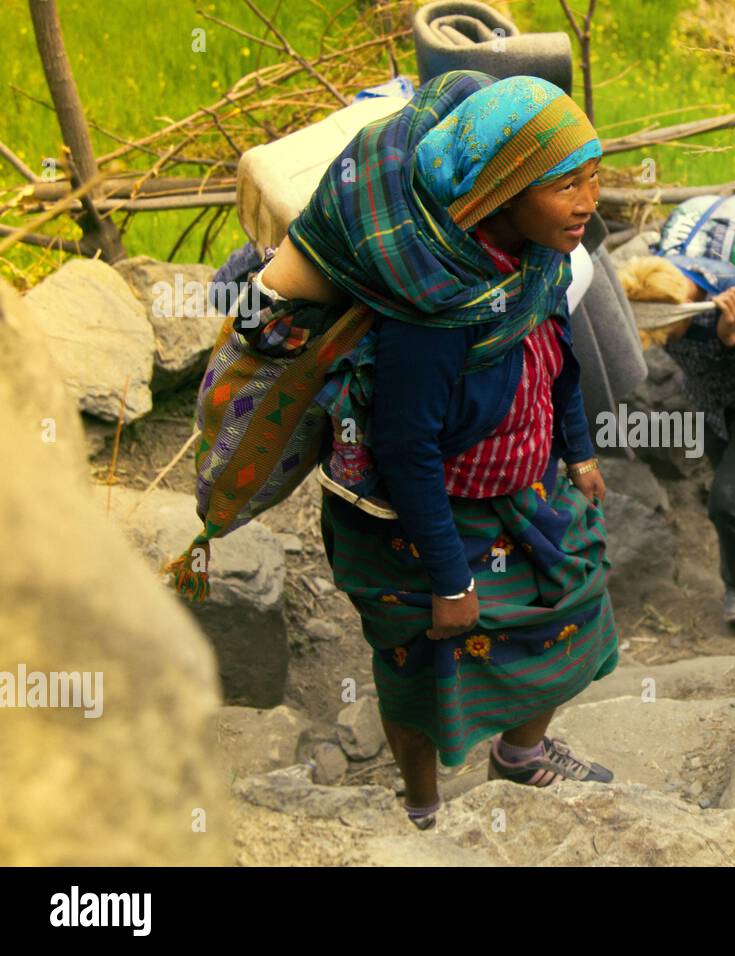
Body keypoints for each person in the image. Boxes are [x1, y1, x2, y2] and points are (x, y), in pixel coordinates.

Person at [256, 70, 619, 830]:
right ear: (503, 193)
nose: (590, 201)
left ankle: (520, 755)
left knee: (581, 613)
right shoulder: (433, 309)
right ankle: (419, 809)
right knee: (421, 666)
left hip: (523, 496)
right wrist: (452, 580)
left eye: (595, 178)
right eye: (566, 185)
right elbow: (406, 446)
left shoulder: (540, 261)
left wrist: (579, 450)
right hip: (422, 522)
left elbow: (556, 354)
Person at [617, 254, 735, 624]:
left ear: (684, 307)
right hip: (713, 406)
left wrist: (734, 341)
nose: (664, 342)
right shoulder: (650, 291)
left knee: (728, 500)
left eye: (666, 334)